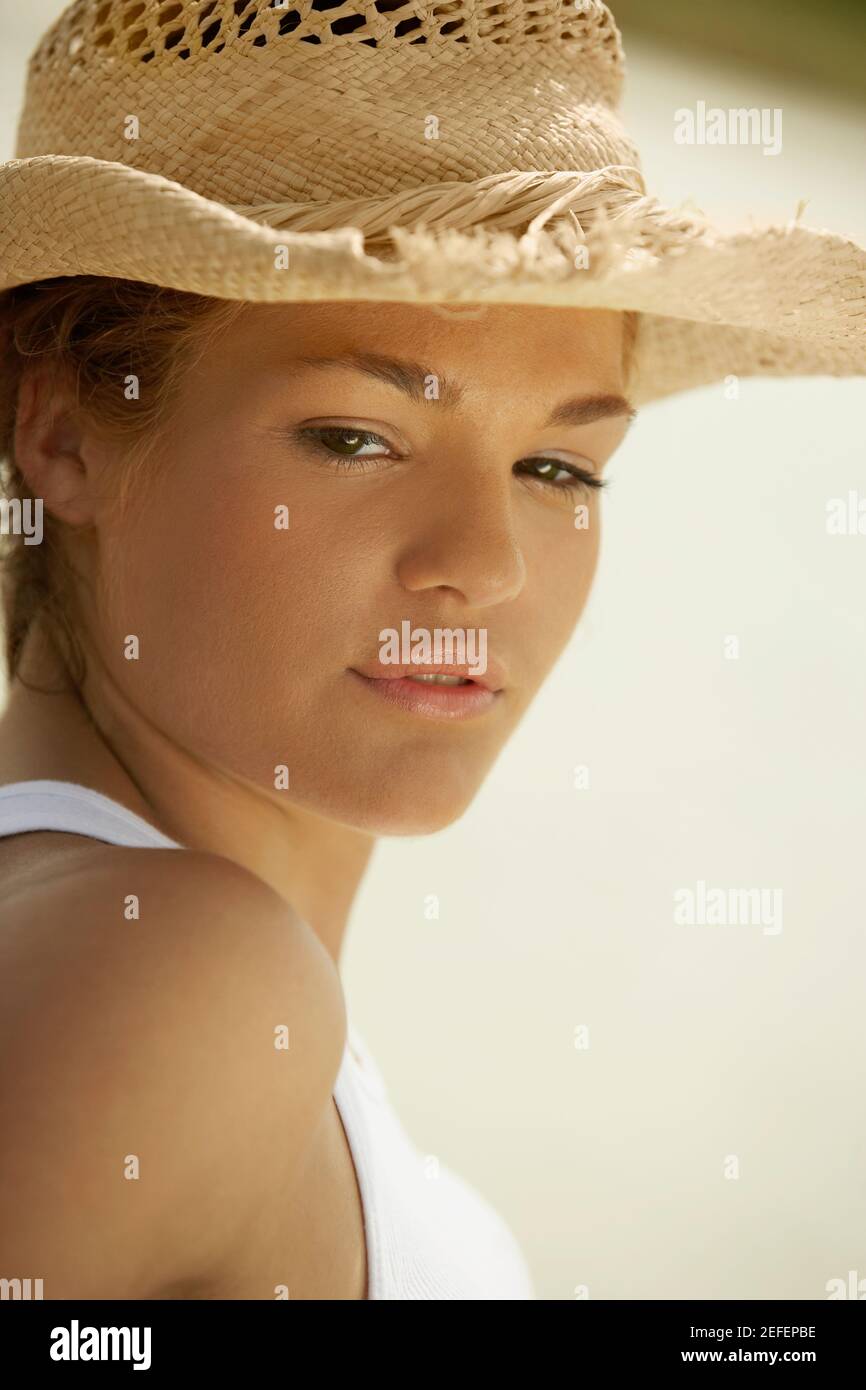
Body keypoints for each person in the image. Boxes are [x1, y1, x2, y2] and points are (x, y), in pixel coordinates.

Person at [0, 0, 862, 1301]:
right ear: (64, 432)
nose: (484, 559)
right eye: (355, 437)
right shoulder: (172, 973)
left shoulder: (132, 951)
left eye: (557, 464)